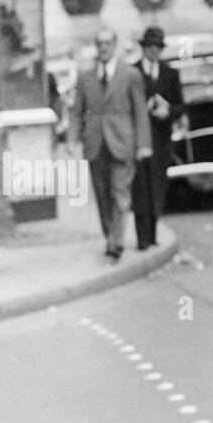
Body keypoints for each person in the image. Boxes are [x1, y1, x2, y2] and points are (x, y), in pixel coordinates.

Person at [69, 29, 153, 261]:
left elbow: (140, 112)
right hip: (95, 144)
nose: (103, 47)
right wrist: (72, 138)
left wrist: (143, 144)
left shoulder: (131, 74)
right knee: (102, 195)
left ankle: (115, 241)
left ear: (115, 45)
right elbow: (76, 112)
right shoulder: (85, 76)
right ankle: (110, 236)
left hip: (122, 142)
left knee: (120, 192)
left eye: (107, 43)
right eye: (99, 43)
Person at [133, 26, 185, 249]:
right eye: (150, 46)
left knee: (157, 186)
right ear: (143, 47)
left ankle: (153, 233)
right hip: (139, 138)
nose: (154, 51)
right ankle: (142, 237)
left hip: (162, 138)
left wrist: (168, 112)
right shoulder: (132, 72)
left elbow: (181, 105)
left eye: (158, 47)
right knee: (140, 186)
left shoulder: (170, 73)